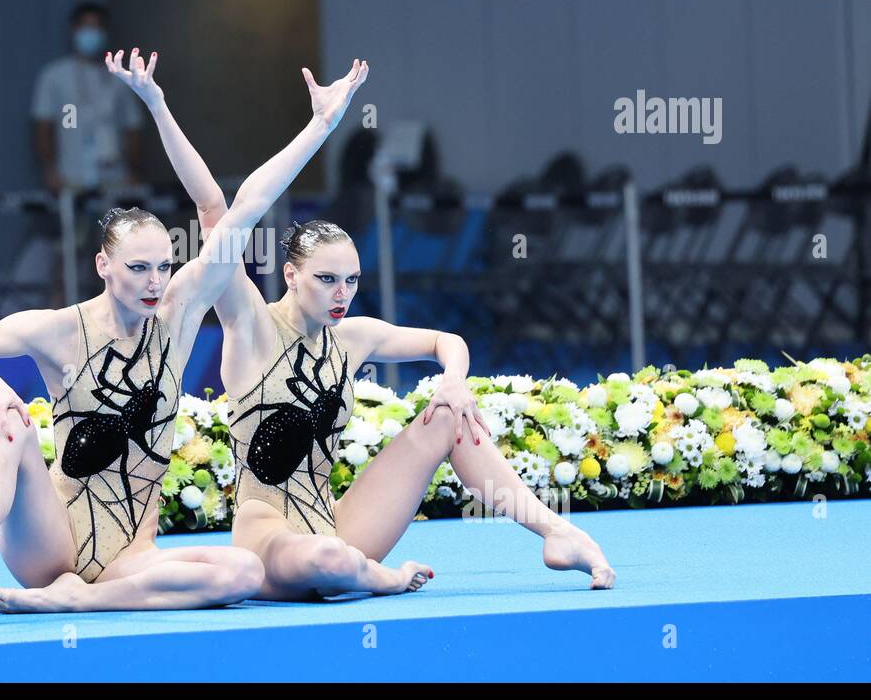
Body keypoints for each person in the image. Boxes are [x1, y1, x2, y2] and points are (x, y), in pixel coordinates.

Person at [0, 50, 371, 624]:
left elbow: (242, 206)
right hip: (49, 542)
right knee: (9, 423)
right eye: (138, 269)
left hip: (131, 555)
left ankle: (83, 599)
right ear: (104, 265)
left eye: (162, 266)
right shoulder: (58, 328)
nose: (155, 282)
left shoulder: (176, 319)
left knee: (244, 572)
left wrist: (320, 124)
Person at [134, 71, 616, 601]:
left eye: (351, 281)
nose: (342, 294)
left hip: (338, 523)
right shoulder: (250, 323)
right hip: (270, 539)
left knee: (447, 419)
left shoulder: (354, 337)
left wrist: (454, 381)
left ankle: (559, 533)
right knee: (324, 557)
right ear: (291, 275)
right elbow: (216, 210)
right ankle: (374, 578)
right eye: (327, 280)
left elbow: (445, 341)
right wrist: (164, 106)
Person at [32, 1, 144, 195]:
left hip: (115, 176)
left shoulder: (119, 77)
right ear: (74, 29)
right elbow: (43, 126)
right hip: (70, 176)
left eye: (97, 27)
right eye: (86, 26)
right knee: (74, 225)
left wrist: (132, 170)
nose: (92, 33)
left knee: (115, 224)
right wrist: (50, 170)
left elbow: (132, 127)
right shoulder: (54, 75)